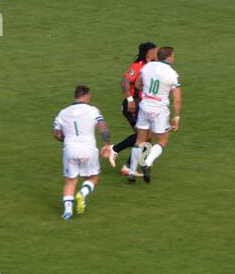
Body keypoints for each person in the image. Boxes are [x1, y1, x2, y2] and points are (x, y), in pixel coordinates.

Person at [52, 85, 115, 219]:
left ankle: (67, 212)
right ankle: (82, 193)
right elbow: (102, 127)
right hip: (88, 149)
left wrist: (67, 138)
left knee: (70, 181)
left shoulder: (62, 112)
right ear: (86, 95)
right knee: (93, 177)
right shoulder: (92, 110)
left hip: (70, 149)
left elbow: (56, 133)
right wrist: (107, 144)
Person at [127, 46, 182, 184]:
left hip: (145, 106)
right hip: (159, 110)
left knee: (140, 140)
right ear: (169, 57)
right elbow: (177, 98)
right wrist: (176, 117)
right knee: (162, 141)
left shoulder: (147, 67)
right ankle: (147, 162)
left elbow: (138, 84)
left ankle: (132, 171)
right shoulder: (172, 74)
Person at [115, 42, 157, 161]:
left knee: (146, 137)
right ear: (148, 53)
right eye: (154, 51)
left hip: (145, 105)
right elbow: (125, 81)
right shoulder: (138, 65)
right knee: (144, 136)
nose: (157, 53)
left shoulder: (154, 65)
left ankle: (129, 166)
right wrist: (130, 100)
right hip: (134, 104)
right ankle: (115, 151)